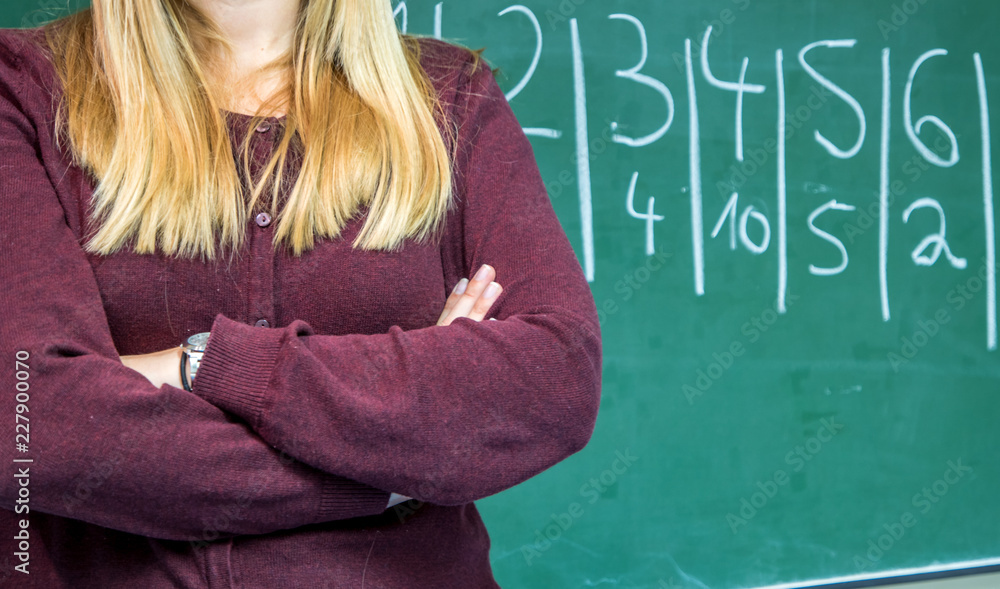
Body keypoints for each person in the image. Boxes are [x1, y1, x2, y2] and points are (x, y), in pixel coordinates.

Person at [0, 0, 602, 586]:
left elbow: (555, 374)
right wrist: (387, 470)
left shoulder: (449, 97)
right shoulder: (22, 87)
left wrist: (205, 365)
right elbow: (28, 424)